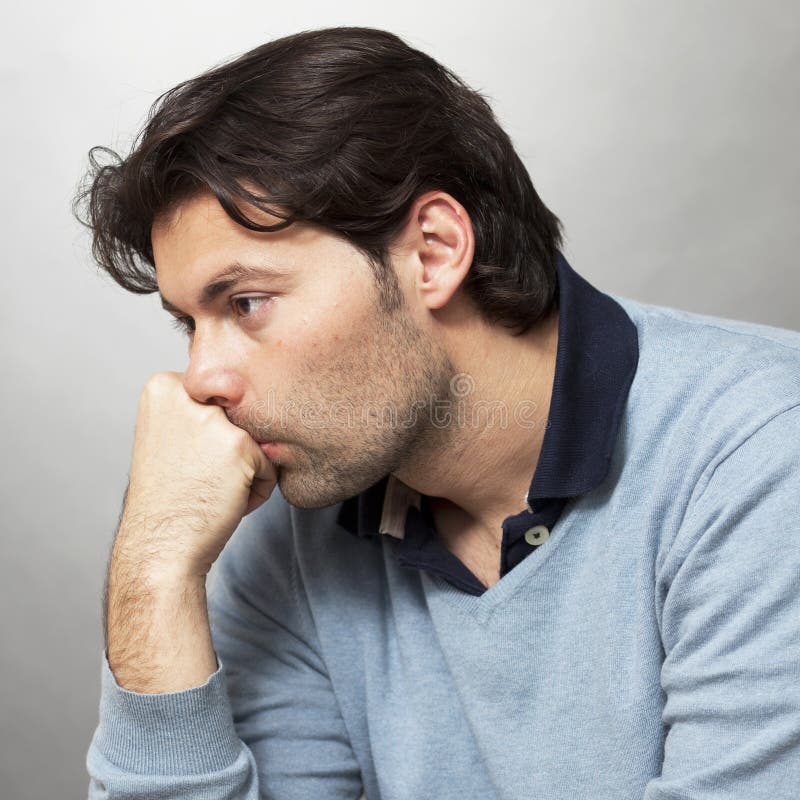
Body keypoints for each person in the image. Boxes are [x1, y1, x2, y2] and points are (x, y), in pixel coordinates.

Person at [75, 25, 800, 800]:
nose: (200, 379)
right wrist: (154, 572)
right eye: (192, 324)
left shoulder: (763, 454)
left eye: (246, 302)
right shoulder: (292, 535)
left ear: (433, 251)